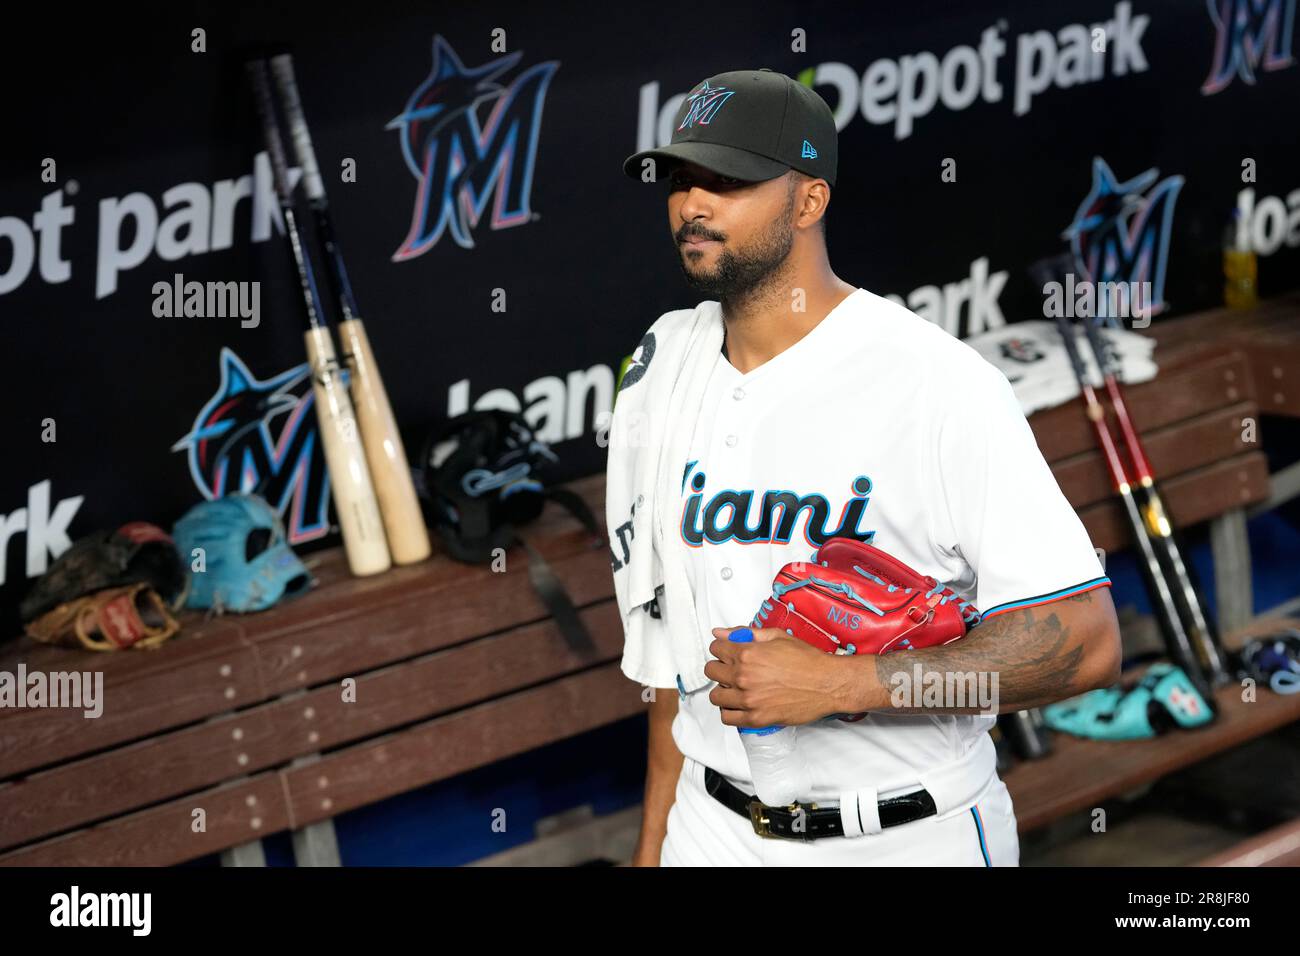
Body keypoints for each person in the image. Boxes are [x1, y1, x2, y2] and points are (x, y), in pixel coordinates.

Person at [608, 68, 1121, 866]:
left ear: (808, 201)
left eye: (729, 180)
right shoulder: (660, 367)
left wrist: (852, 685)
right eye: (681, 181)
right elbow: (669, 665)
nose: (693, 205)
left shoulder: (934, 383)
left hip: (904, 834)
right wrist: (652, 851)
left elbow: (1086, 644)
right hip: (710, 830)